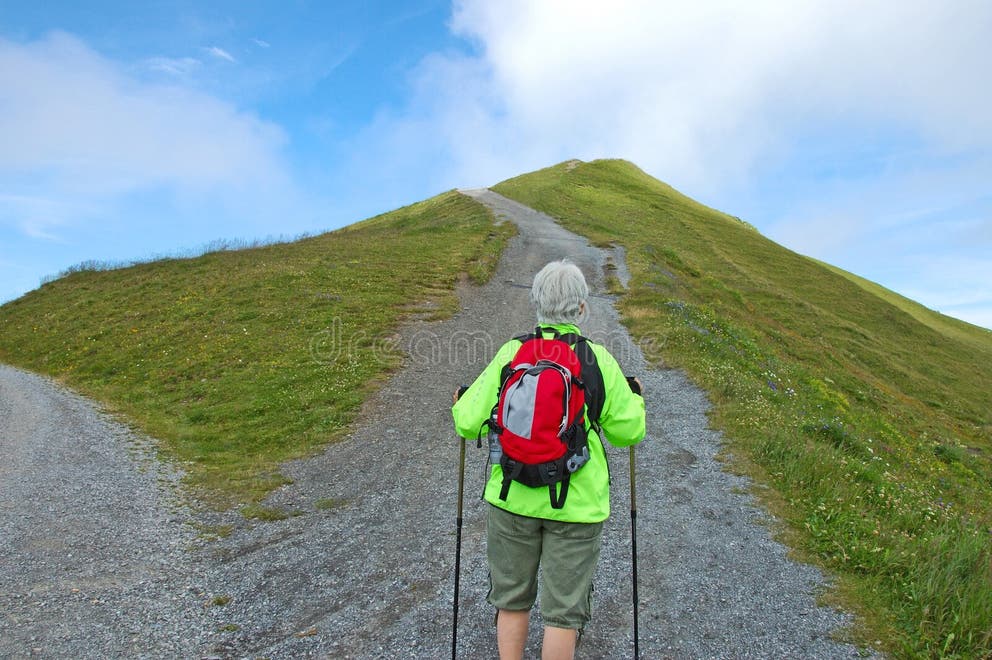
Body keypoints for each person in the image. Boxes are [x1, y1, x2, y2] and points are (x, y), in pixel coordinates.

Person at [452, 259, 646, 660]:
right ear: (581, 308)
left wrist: (461, 401)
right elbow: (629, 432)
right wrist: (637, 398)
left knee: (512, 600)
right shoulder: (597, 360)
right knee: (562, 616)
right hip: (576, 506)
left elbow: (468, 422)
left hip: (511, 495)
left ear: (536, 303)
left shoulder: (514, 352)